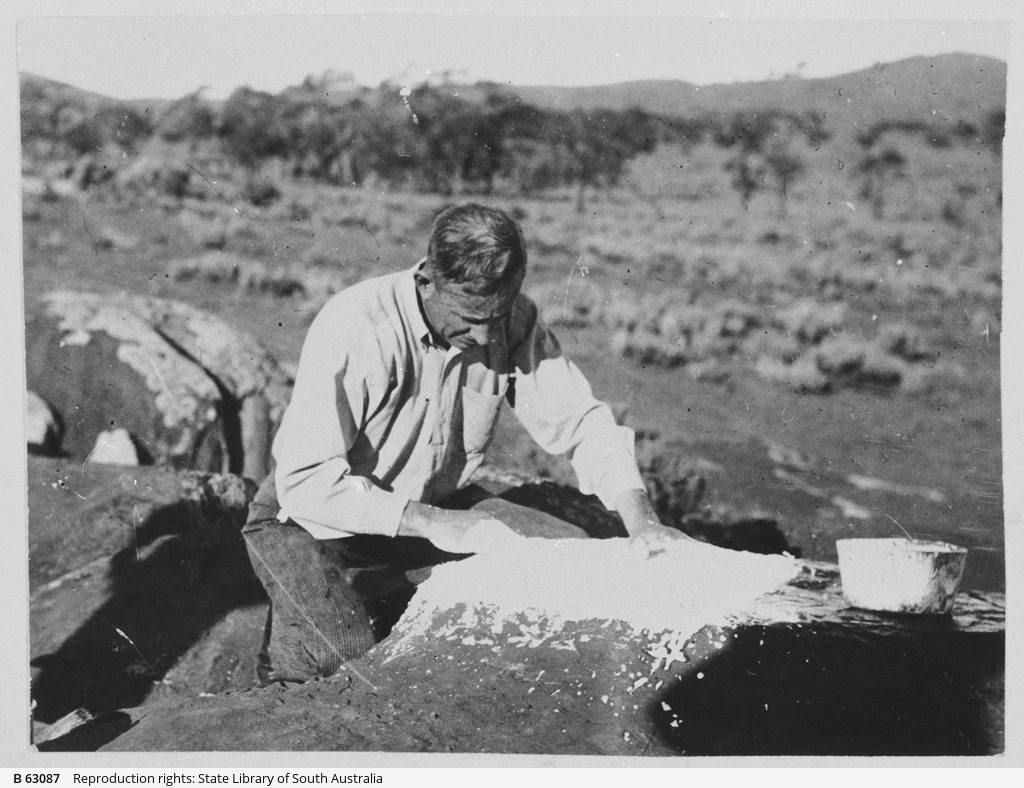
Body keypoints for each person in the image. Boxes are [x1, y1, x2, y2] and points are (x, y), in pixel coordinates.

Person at [242, 202, 689, 684]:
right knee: (346, 663)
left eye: (496, 316)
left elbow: (581, 422)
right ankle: (282, 672)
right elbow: (306, 483)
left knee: (532, 586)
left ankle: (359, 602)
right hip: (307, 519)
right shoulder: (358, 326)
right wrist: (435, 522)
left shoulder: (510, 322)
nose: (483, 336)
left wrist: (644, 522)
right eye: (469, 317)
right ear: (426, 282)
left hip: (410, 518)